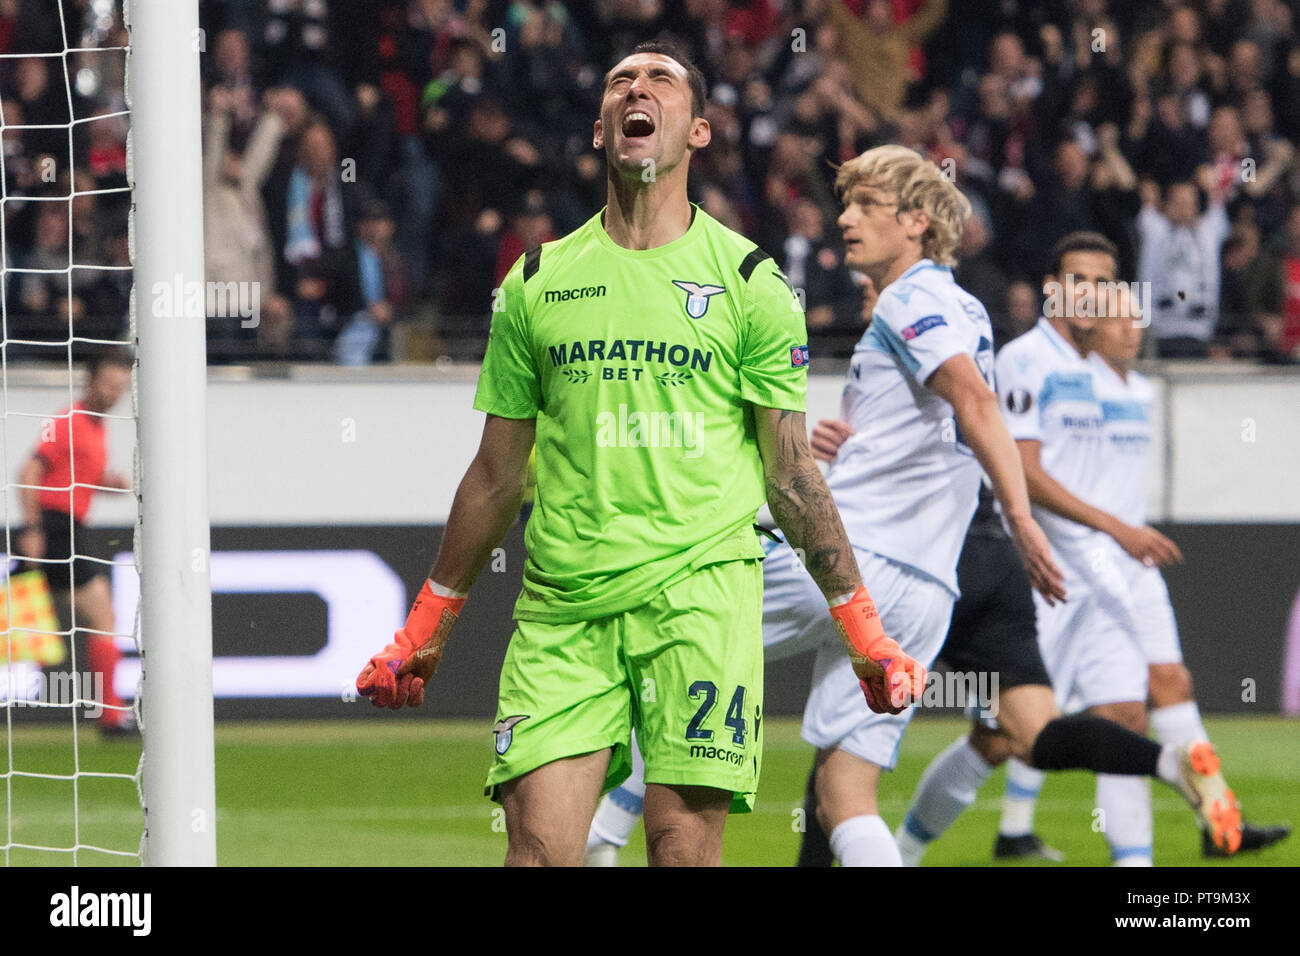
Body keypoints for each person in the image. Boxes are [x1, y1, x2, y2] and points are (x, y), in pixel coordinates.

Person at [354, 41, 925, 867]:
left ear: (697, 130)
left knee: (681, 851)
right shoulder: (537, 280)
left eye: (660, 80)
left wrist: (863, 630)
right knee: (539, 856)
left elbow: (791, 471)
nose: (637, 88)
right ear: (600, 130)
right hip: (562, 609)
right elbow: (495, 473)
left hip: (699, 601)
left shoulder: (751, 282)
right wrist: (423, 628)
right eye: (621, 79)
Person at [587, 163, 1249, 869]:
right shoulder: (963, 307)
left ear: (916, 224)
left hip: (853, 561)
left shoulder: (912, 299)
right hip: (925, 592)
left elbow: (973, 401)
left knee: (659, 658)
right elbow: (943, 417)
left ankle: (594, 844)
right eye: (844, 203)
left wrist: (1022, 518)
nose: (846, 218)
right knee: (846, 796)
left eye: (865, 204)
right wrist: (855, 443)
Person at [992, 300, 1292, 860]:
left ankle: (1212, 818)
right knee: (1012, 731)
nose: (1133, 329)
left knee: (1161, 689)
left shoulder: (1141, 391)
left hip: (1132, 562)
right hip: (1080, 562)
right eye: (1119, 318)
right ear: (1089, 325)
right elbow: (1031, 464)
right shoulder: (1075, 385)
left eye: (1137, 318)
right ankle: (1006, 830)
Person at [16, 347, 133, 735]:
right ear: (90, 380)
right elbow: (30, 470)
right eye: (110, 383)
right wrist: (33, 528)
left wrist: (106, 484)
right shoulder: (69, 419)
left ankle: (109, 715)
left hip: (66, 527)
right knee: (102, 618)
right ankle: (110, 717)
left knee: (22, 621)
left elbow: (76, 476)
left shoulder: (97, 428)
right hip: (53, 528)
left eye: (122, 386)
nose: (116, 392)